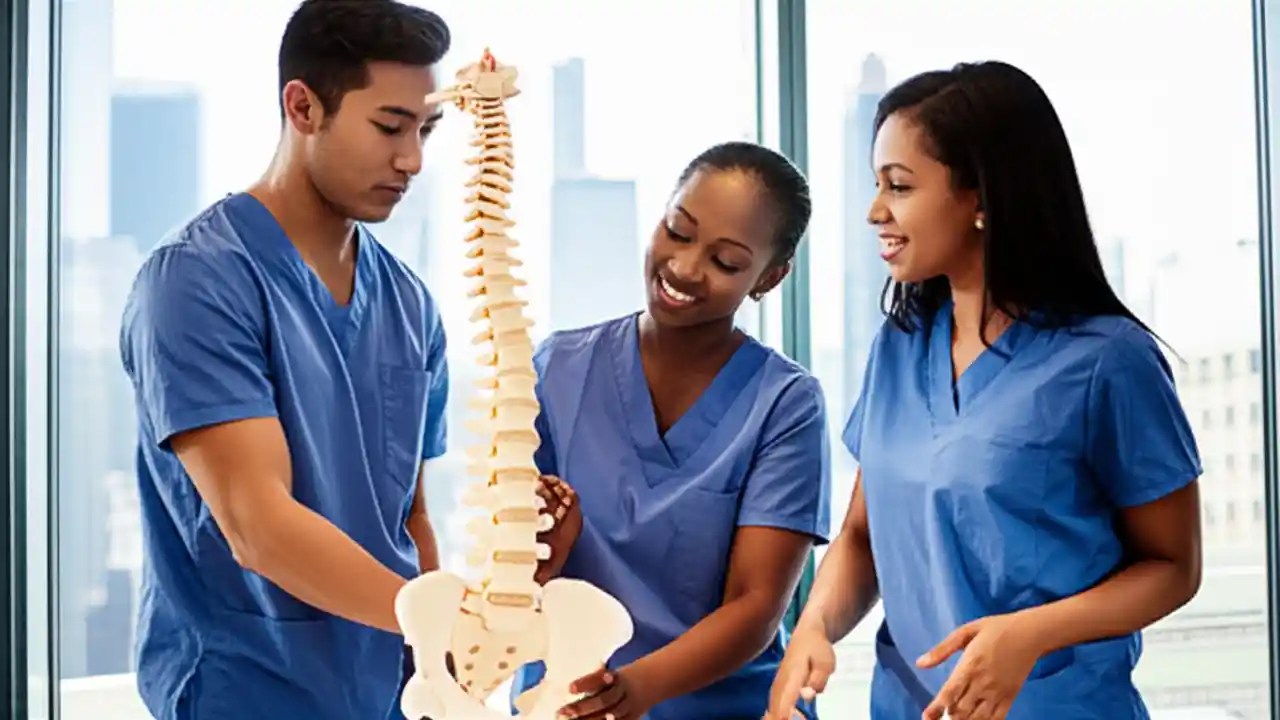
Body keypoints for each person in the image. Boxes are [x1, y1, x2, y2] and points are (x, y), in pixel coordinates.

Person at [766, 60, 1204, 720]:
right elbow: (862, 536)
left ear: (981, 197)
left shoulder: (1109, 362)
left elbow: (1174, 566)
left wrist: (1031, 633)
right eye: (876, 184)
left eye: (900, 186)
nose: (874, 210)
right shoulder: (899, 345)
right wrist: (815, 627)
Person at [117, 2, 462, 718]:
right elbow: (258, 526)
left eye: (426, 130)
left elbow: (413, 514)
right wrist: (432, 620)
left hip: (387, 691)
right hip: (246, 691)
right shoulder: (196, 281)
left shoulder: (410, 305)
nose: (413, 160)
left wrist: (442, 665)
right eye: (390, 126)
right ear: (303, 107)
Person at [511, 141, 832, 720]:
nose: (685, 268)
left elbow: (756, 605)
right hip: (564, 703)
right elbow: (514, 572)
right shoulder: (556, 369)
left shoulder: (785, 405)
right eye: (678, 231)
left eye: (726, 262)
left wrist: (634, 690)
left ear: (770, 277)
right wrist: (533, 555)